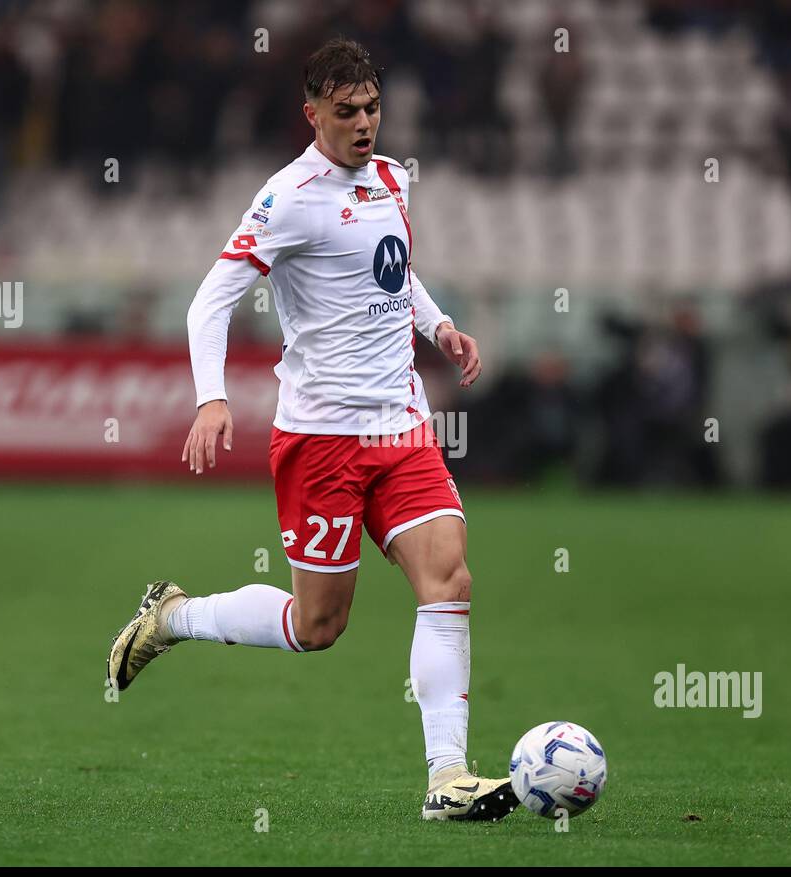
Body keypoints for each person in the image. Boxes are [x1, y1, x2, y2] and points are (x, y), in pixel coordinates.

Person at [106, 37, 515, 822]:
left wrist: (440, 326)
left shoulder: (393, 178)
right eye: (347, 111)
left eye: (372, 108)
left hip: (400, 428)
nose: (364, 123)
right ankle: (174, 617)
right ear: (313, 114)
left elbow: (391, 270)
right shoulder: (288, 196)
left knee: (450, 582)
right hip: (321, 440)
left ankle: (447, 777)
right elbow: (208, 303)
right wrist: (211, 397)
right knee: (317, 626)